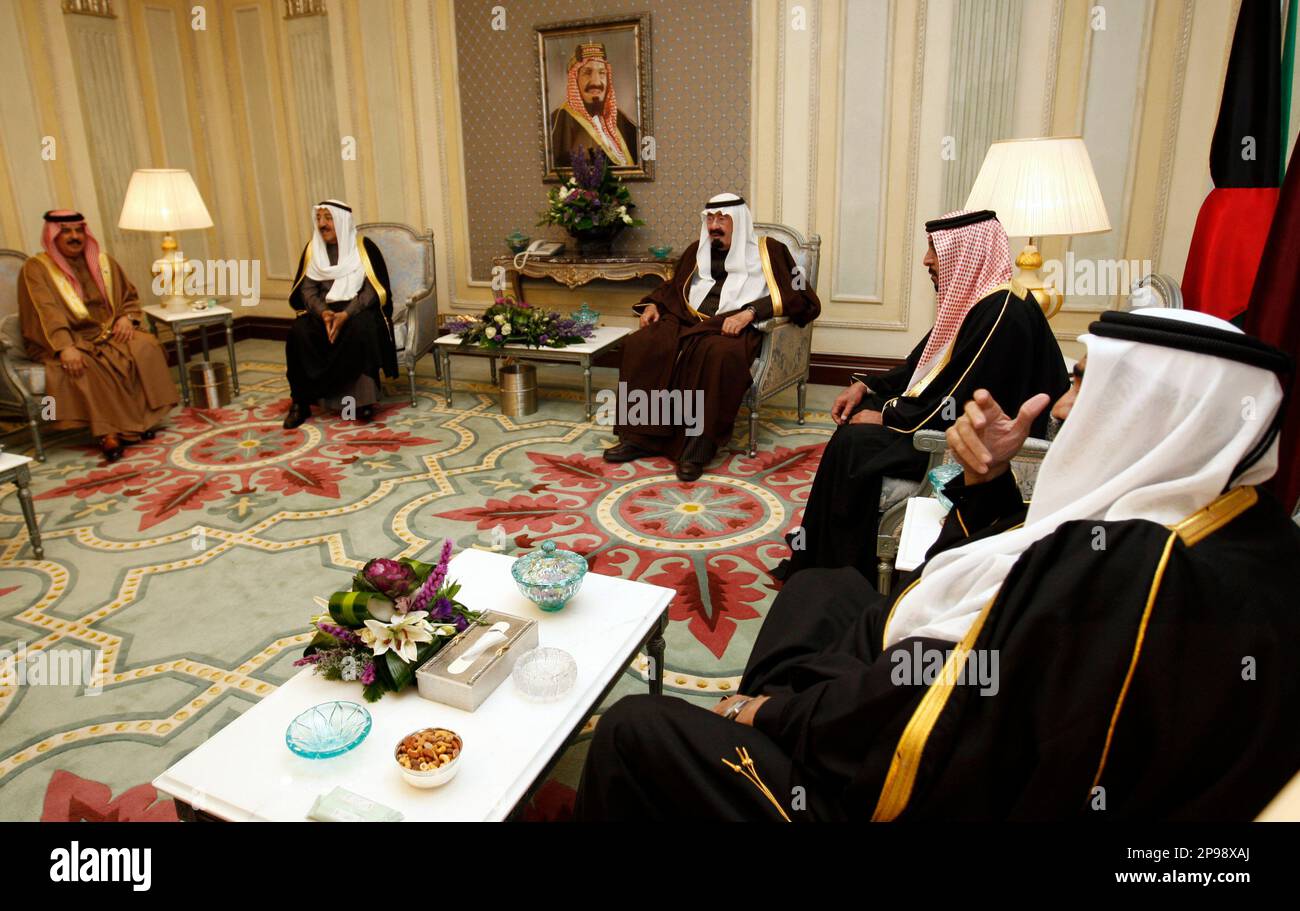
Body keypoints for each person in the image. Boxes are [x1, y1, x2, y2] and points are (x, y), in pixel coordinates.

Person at [575, 308, 1300, 821]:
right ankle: (758, 727)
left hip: (898, 777)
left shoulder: (1123, 570)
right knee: (828, 583)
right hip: (932, 709)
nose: (1066, 405)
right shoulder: (1224, 528)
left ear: (1150, 415)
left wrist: (784, 712)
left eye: (1086, 385)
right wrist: (985, 490)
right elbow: (1016, 595)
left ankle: (755, 726)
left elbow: (938, 714)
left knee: (633, 730)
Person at [773, 209, 1067, 582]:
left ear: (966, 253)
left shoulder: (1001, 313)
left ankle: (843, 572)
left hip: (973, 445)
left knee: (854, 442)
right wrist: (869, 386)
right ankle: (820, 555)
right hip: (955, 422)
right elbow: (924, 369)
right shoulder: (982, 301)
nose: (927, 260)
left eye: (934, 249)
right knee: (862, 413)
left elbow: (959, 399)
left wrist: (888, 416)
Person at [603, 193, 821, 481]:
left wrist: (752, 312)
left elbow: (798, 294)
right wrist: (654, 304)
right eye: (710, 218)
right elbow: (674, 286)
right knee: (642, 343)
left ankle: (697, 448)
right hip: (687, 318)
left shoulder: (771, 251)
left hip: (734, 326)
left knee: (716, 354)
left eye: (722, 219)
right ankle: (640, 436)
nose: (714, 225)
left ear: (739, 221)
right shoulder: (698, 249)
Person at [17, 210, 177, 461]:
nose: (74, 236)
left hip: (108, 330)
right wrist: (64, 346)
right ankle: (107, 433)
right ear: (53, 235)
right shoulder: (36, 269)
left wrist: (126, 317)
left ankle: (141, 422)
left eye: (78, 230)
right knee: (86, 366)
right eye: (66, 231)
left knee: (144, 346)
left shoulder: (103, 262)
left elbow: (127, 296)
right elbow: (44, 312)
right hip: (66, 337)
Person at [283, 200, 398, 429]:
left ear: (342, 222)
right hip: (323, 310)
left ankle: (363, 401)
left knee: (363, 328)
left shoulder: (364, 248)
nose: (322, 224)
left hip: (357, 309)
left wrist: (346, 314)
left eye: (328, 218)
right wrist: (324, 312)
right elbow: (307, 289)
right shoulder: (312, 249)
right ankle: (301, 402)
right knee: (299, 332)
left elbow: (373, 289)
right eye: (319, 219)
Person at [549, 42, 639, 169]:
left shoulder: (621, 120)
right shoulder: (560, 121)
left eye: (602, 73)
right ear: (575, 79)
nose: (596, 81)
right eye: (587, 72)